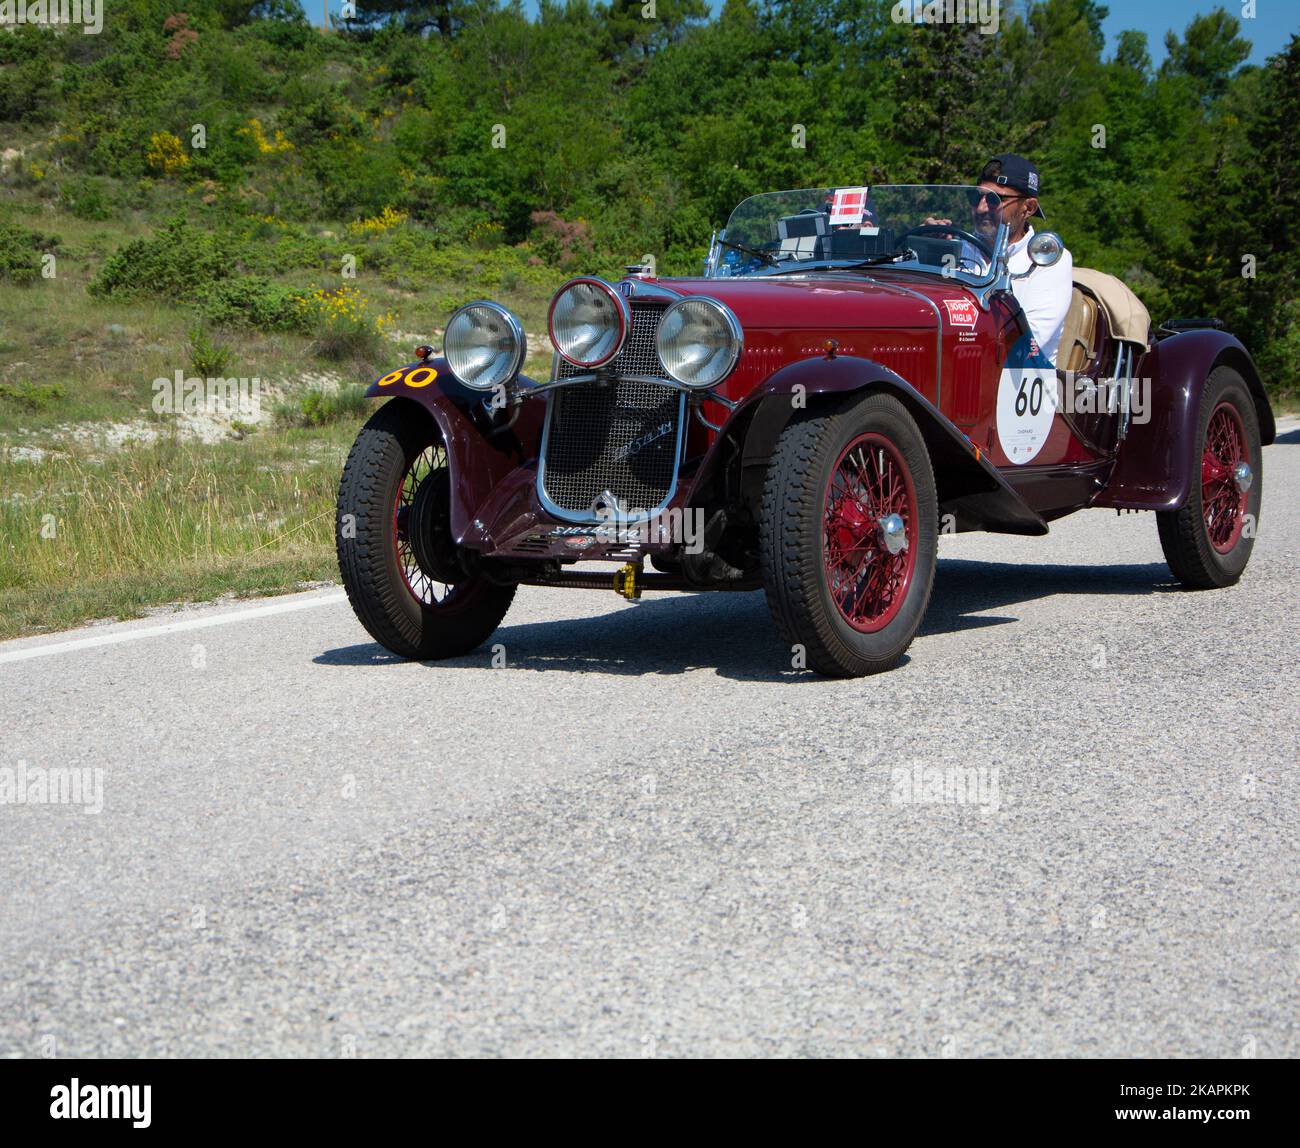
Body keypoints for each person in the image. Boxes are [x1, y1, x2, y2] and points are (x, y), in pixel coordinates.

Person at [971, 154, 1073, 366]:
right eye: (975, 197)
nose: (981, 208)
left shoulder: (1048, 261)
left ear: (1029, 208)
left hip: (1017, 385)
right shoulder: (959, 248)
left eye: (994, 199)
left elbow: (1026, 343)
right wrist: (925, 250)